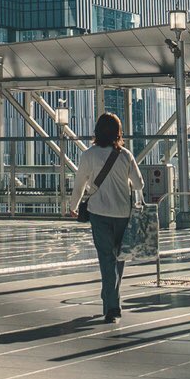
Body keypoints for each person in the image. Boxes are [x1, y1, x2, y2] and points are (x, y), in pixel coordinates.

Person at [65, 112, 149, 324]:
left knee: (106, 258)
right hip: (123, 213)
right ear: (118, 132)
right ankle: (111, 300)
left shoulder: (88, 155)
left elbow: (79, 184)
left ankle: (112, 305)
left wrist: (73, 207)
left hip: (98, 213)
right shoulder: (125, 155)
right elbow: (139, 185)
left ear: (97, 131)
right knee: (119, 258)